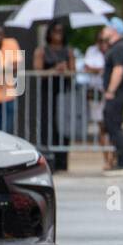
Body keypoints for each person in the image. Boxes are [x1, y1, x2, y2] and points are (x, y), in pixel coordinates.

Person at [34, 21, 74, 168]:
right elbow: (38, 72)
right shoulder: (42, 51)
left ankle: (63, 161)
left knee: (63, 125)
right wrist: (54, 70)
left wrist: (65, 70)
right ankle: (49, 161)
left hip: (63, 92)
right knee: (47, 124)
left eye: (61, 31)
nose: (58, 34)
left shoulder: (68, 51)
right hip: (47, 93)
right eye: (55, 31)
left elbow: (73, 72)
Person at [101, 18, 123, 176]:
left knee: (113, 125)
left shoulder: (119, 48)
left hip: (116, 93)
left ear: (114, 30)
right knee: (112, 125)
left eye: (107, 27)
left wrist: (110, 90)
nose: (104, 30)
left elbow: (118, 70)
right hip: (117, 93)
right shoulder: (115, 47)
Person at [79, 31, 112, 169]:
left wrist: (101, 70)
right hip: (96, 92)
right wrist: (101, 70)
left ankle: (113, 157)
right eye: (100, 41)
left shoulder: (113, 50)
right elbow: (87, 67)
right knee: (101, 126)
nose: (103, 44)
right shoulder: (91, 51)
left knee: (112, 126)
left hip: (110, 91)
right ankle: (106, 158)